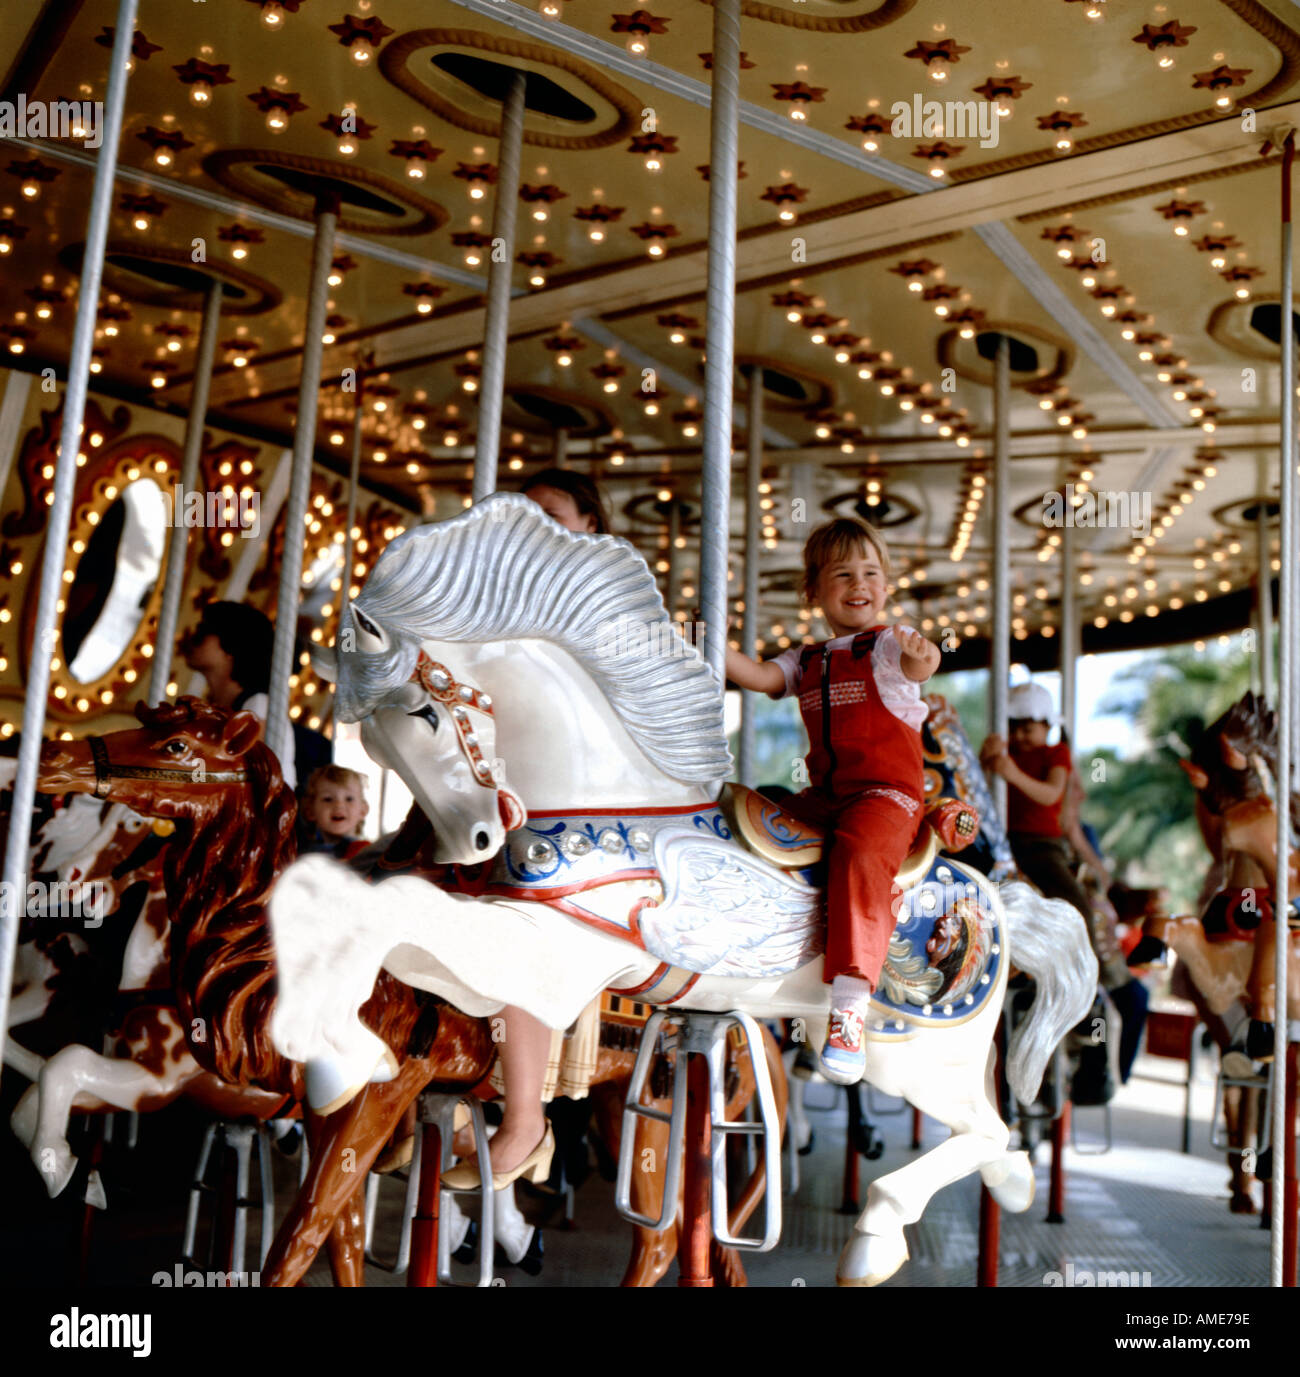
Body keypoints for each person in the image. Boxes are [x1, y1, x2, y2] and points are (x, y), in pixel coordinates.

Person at [723, 516, 941, 1084]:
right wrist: (710, 646)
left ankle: (849, 1005)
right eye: (842, 574)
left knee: (860, 850)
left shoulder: (890, 646)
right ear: (813, 592)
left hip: (886, 795)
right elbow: (759, 677)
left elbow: (921, 665)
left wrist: (924, 653)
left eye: (871, 573)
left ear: (887, 587)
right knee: (747, 816)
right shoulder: (809, 658)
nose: (858, 584)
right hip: (825, 795)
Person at [444, 470, 613, 1191]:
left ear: (589, 527)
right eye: (519, 514)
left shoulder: (606, 608)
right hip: (503, 799)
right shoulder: (494, 610)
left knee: (521, 916)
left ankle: (524, 1117)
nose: (530, 525)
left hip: (589, 810)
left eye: (549, 513)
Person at [183, 601, 296, 789]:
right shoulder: (213, 706)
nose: (193, 638)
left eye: (203, 630)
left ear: (230, 646)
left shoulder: (258, 706)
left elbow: (243, 773)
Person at [299, 764, 370, 861]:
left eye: (349, 799)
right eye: (328, 799)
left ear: (363, 810)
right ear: (310, 811)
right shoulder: (302, 855)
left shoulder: (368, 854)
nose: (339, 805)